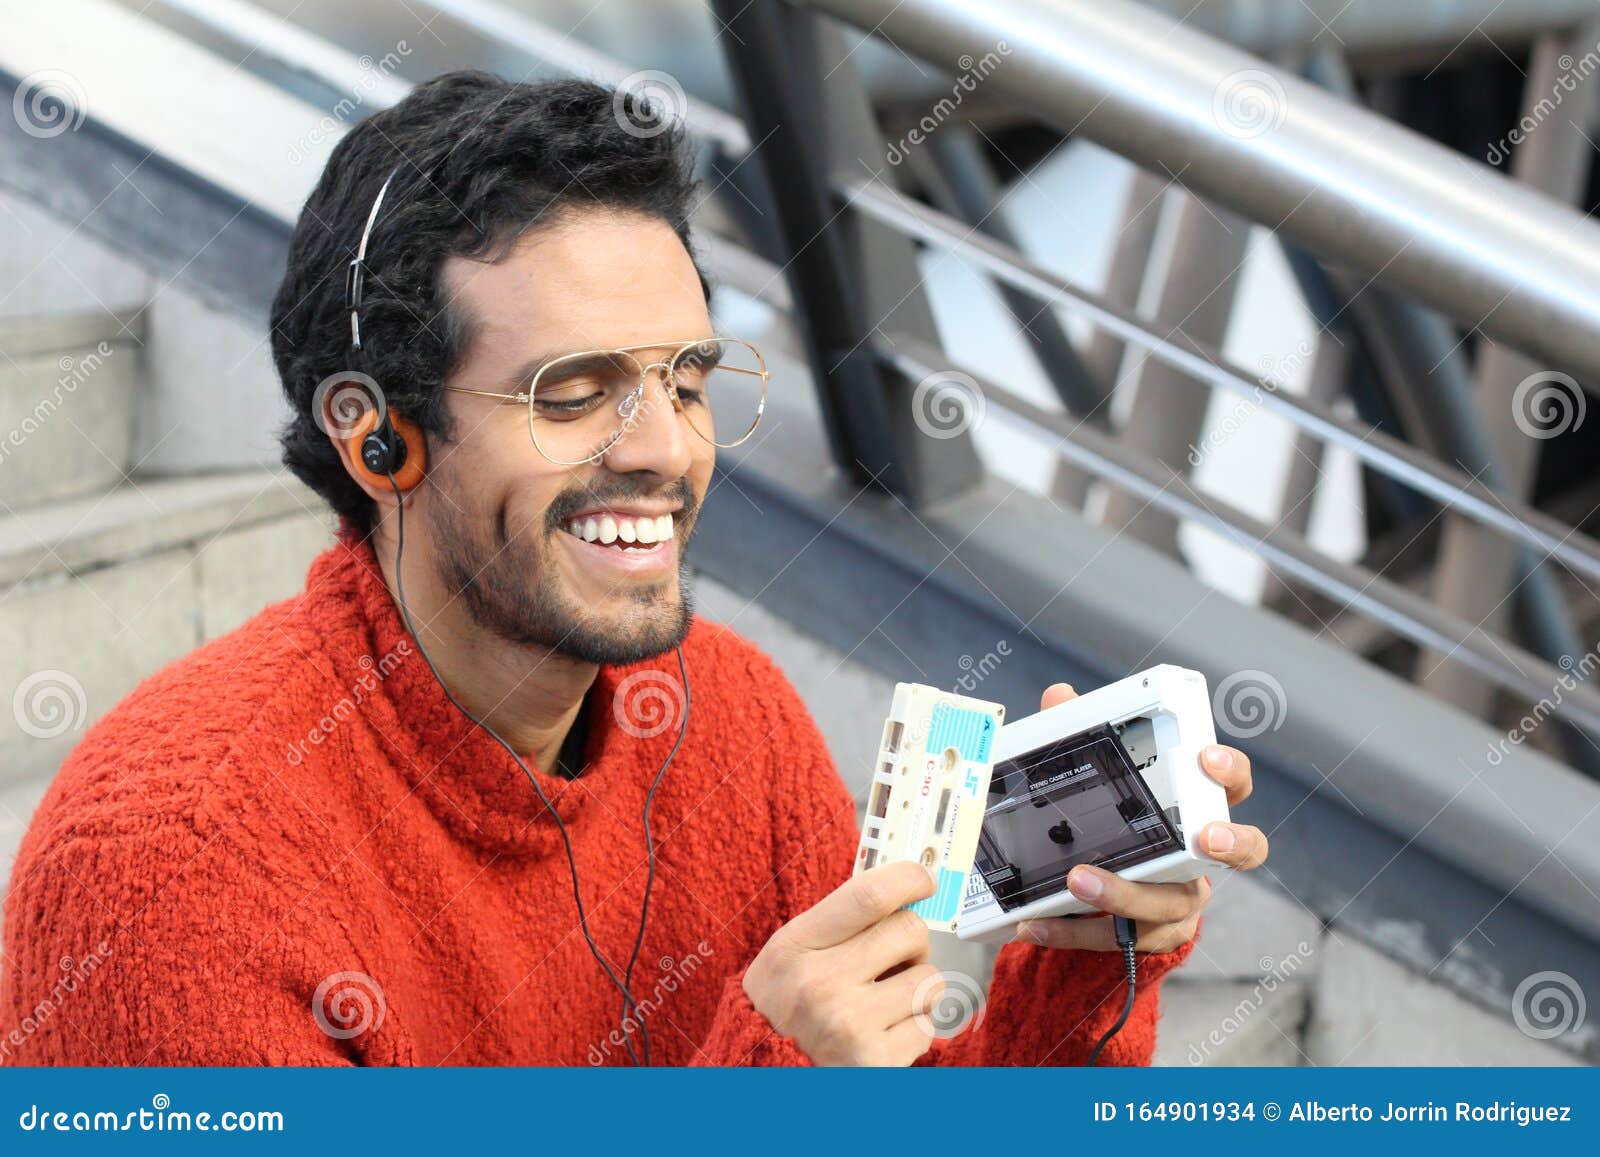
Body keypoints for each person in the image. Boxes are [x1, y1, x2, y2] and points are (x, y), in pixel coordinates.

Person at [0, 72, 1268, 1066]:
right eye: (575, 391)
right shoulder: (169, 869)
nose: (666, 449)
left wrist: (1084, 962)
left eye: (686, 379)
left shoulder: (736, 719)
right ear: (374, 433)